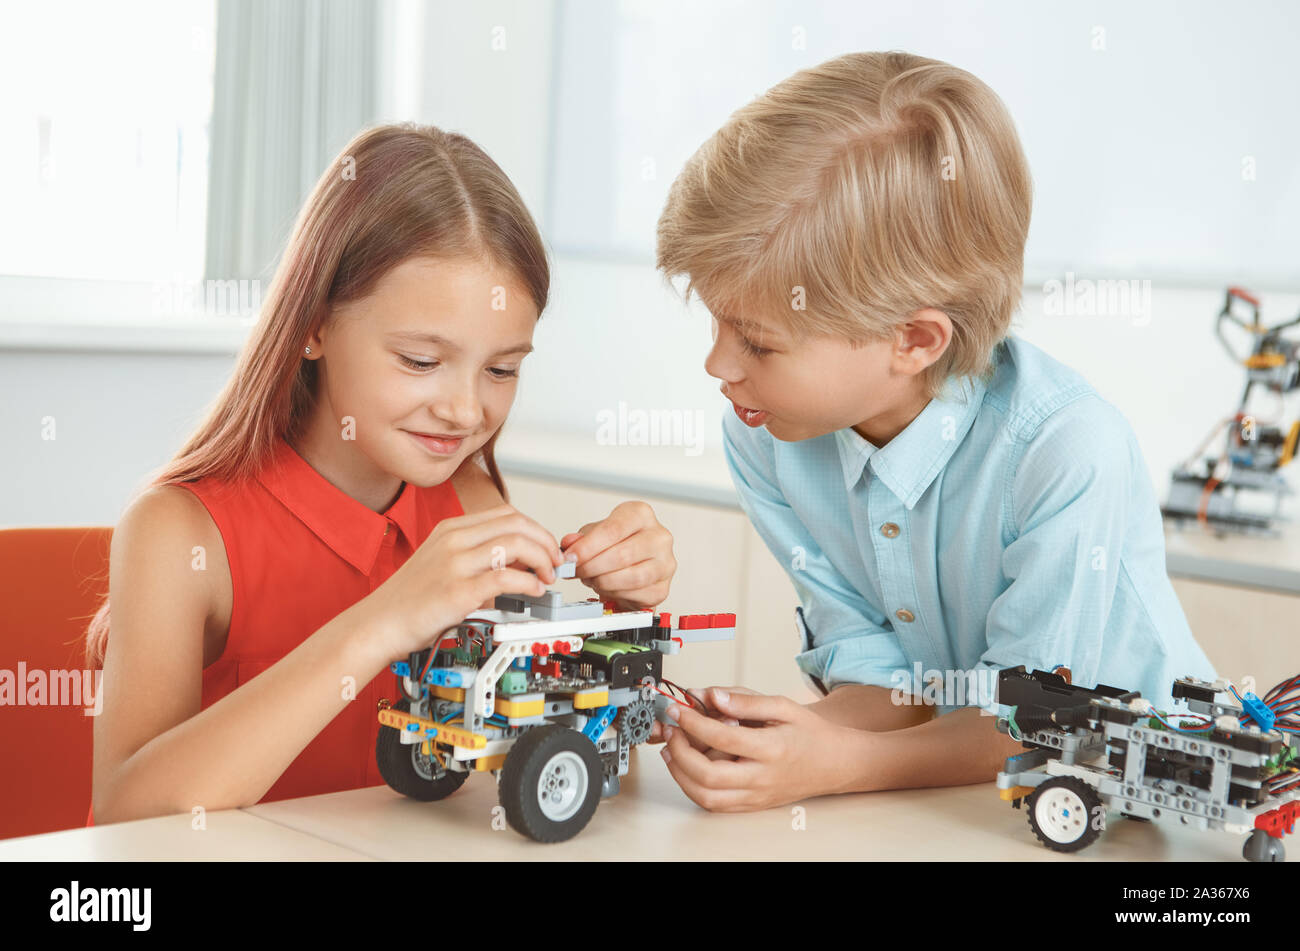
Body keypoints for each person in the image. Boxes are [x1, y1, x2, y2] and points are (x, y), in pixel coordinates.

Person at [650, 51, 1216, 812]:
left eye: (757, 341)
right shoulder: (767, 436)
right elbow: (888, 681)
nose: (719, 363)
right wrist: (785, 739)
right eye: (717, 322)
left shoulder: (1068, 451)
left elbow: (1034, 720)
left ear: (914, 340)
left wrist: (837, 763)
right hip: (963, 799)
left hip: (1128, 806)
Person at [86, 123, 676, 825]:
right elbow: (126, 812)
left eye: (502, 368)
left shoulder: (468, 502)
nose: (463, 409)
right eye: (421, 361)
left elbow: (580, 772)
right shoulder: (180, 533)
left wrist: (614, 618)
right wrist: (385, 618)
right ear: (314, 326)